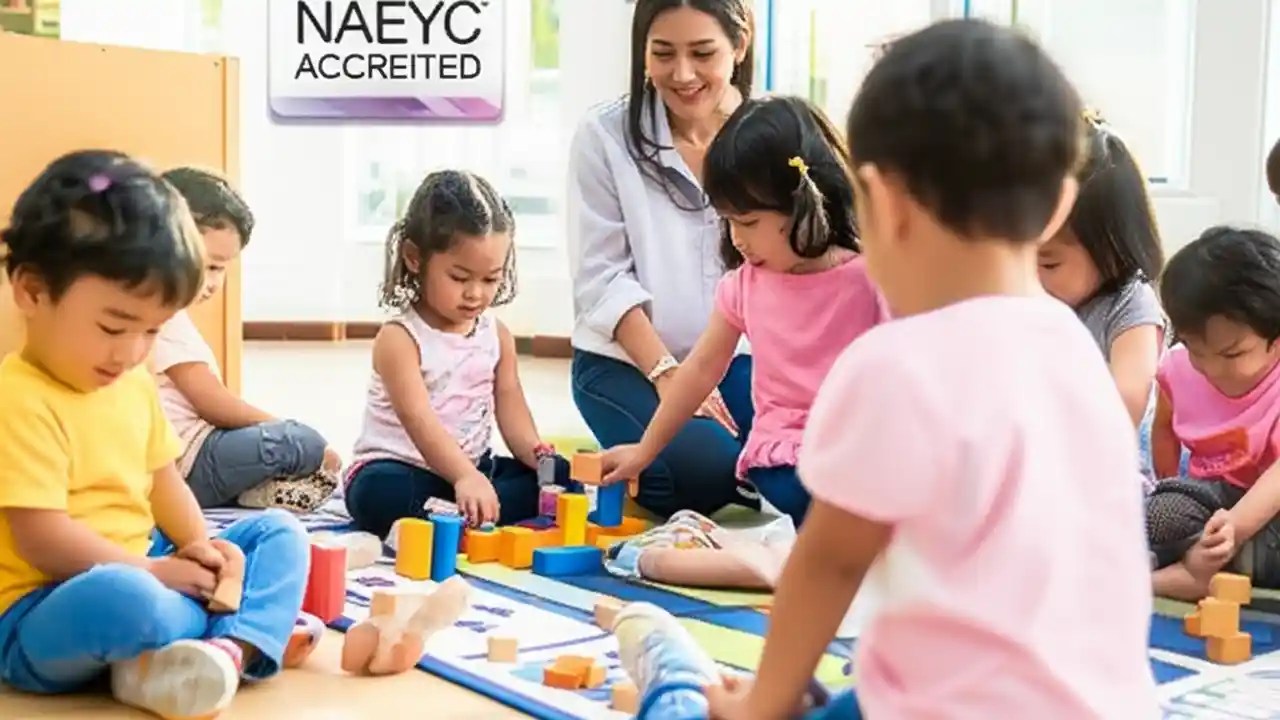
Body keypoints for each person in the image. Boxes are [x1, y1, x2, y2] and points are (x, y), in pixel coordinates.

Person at [706, 19, 1159, 719]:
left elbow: (827, 565)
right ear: (1060, 204)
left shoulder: (894, 365)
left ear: (882, 202)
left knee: (689, 696)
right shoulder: (1076, 354)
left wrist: (764, 702)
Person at [0, 151, 313, 719]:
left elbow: (162, 480)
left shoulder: (133, 381)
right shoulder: (16, 397)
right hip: (41, 607)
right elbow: (42, 541)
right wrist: (156, 573)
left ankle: (224, 650)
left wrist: (202, 545)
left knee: (279, 534)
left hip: (148, 563)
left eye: (151, 331)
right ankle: (244, 629)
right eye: (114, 327)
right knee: (129, 600)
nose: (133, 352)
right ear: (32, 292)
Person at [602, 95, 885, 528]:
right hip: (788, 461)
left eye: (748, 223)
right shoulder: (744, 287)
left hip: (859, 450)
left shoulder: (872, 278)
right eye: (727, 222)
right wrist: (644, 452)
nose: (736, 239)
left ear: (804, 204)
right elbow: (698, 371)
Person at [568, 0, 758, 519]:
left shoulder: (765, 136)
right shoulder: (604, 136)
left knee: (788, 458)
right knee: (704, 472)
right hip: (624, 364)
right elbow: (602, 278)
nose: (683, 74)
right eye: (663, 53)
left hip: (733, 360)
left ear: (738, 46)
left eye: (703, 53)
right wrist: (669, 375)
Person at [344, 170, 573, 538]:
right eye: (459, 277)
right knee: (377, 496)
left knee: (559, 478)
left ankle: (459, 516)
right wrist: (463, 475)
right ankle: (470, 512)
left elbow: (510, 406)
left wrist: (538, 455)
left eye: (490, 279)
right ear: (415, 258)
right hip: (401, 469)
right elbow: (419, 420)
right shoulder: (400, 339)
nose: (475, 294)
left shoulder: (496, 335)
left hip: (474, 471)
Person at [154, 167, 340, 512]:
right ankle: (260, 487)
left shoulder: (168, 317)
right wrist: (284, 428)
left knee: (288, 441)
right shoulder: (160, 319)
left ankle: (254, 493)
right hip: (190, 463)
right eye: (207, 265)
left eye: (220, 269)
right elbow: (213, 403)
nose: (212, 282)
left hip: (195, 457)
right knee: (302, 441)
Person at [1146, 226, 1280, 602]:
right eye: (1194, 349)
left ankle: (1202, 570)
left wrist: (1234, 529)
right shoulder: (1178, 370)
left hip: (1269, 510)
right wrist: (1174, 485)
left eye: (1232, 354)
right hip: (1216, 497)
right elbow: (1163, 429)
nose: (1211, 368)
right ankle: (1203, 568)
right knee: (1159, 515)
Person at [1036, 114, 1167, 487]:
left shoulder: (1130, 305)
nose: (1030, 275)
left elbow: (1126, 402)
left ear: (1111, 248)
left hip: (1102, 475)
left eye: (1048, 261)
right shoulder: (1030, 300)